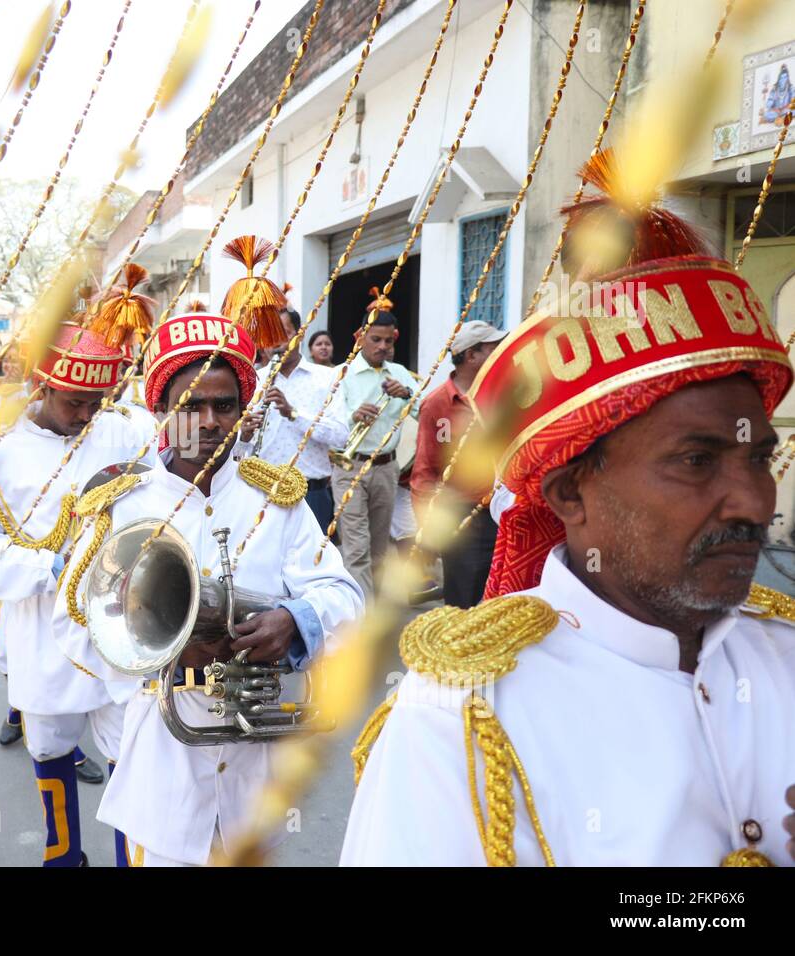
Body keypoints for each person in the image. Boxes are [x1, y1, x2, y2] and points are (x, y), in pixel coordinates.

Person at [341, 150, 795, 866]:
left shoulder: (785, 653)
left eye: (758, 458)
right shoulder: (456, 718)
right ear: (570, 493)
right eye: (697, 461)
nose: (750, 500)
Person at [53, 308, 364, 867]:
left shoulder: (279, 499)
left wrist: (295, 621)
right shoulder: (119, 503)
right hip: (162, 763)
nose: (208, 420)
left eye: (224, 405)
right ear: (160, 412)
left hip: (256, 772)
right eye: (189, 404)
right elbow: (73, 624)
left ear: (243, 411)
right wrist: (158, 664)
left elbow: (343, 595)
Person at [0, 321, 155, 867]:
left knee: (130, 746)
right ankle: (64, 854)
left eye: (97, 401)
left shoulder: (121, 428)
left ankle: (130, 858)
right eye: (75, 403)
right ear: (43, 389)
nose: (88, 414)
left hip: (121, 621)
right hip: (43, 625)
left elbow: (163, 490)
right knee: (48, 744)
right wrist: (56, 566)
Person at [328, 290, 422, 596]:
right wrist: (353, 416)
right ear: (361, 339)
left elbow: (427, 410)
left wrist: (407, 394)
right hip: (350, 466)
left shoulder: (400, 374)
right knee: (356, 549)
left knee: (380, 548)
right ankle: (361, 619)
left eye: (388, 341)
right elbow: (328, 420)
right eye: (376, 340)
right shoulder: (342, 374)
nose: (382, 347)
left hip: (387, 467)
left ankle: (375, 609)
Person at [409, 319, 507, 607]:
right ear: (471, 355)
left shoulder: (501, 396)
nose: (499, 354)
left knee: (498, 602)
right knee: (462, 604)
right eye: (493, 348)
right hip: (461, 518)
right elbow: (425, 470)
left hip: (503, 512)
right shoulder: (438, 404)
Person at [234, 307, 348, 535]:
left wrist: (293, 414)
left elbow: (340, 436)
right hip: (261, 490)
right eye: (269, 335)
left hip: (311, 493)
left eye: (283, 333)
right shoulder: (253, 380)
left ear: (300, 333)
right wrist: (244, 435)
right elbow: (237, 453)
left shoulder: (326, 377)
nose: (276, 342)